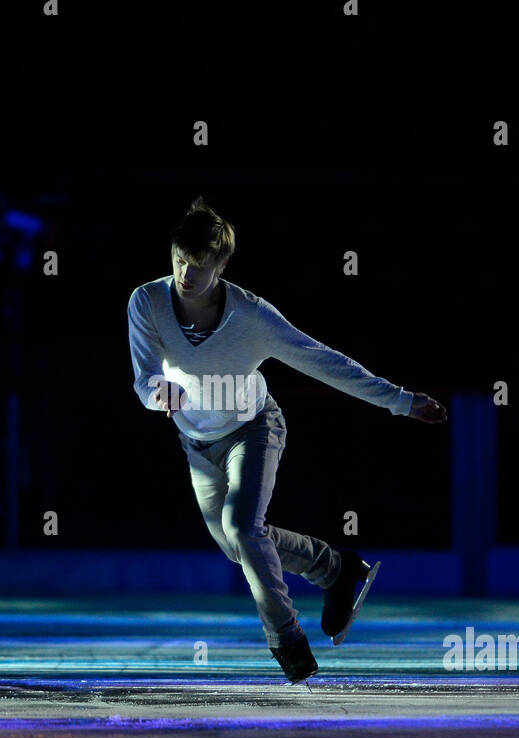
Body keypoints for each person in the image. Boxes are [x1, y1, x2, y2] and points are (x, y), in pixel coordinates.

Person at [126, 197, 447, 683]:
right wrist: (158, 391)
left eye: (197, 264)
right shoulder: (146, 302)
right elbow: (145, 376)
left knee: (242, 526)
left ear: (222, 263)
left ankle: (288, 646)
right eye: (178, 260)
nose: (185, 274)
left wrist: (401, 401)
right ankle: (336, 570)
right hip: (196, 443)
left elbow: (323, 360)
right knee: (239, 544)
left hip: (253, 429)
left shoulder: (251, 316)